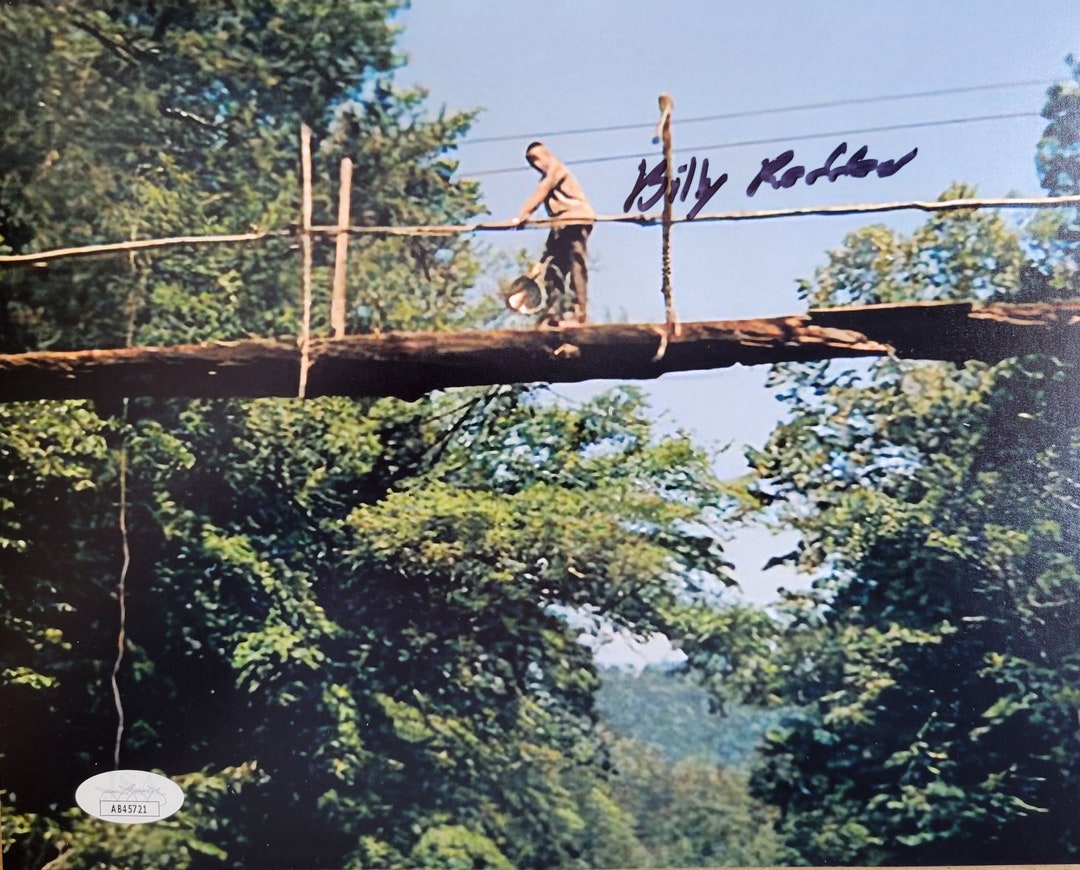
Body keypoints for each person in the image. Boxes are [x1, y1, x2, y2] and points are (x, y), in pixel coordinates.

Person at [512, 142, 595, 325]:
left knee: (576, 263)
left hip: (575, 219)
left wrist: (523, 215)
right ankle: (554, 310)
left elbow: (542, 191)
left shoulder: (557, 169)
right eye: (531, 162)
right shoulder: (548, 176)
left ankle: (578, 309)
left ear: (546, 155)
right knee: (552, 267)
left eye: (536, 159)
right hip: (561, 223)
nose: (535, 165)